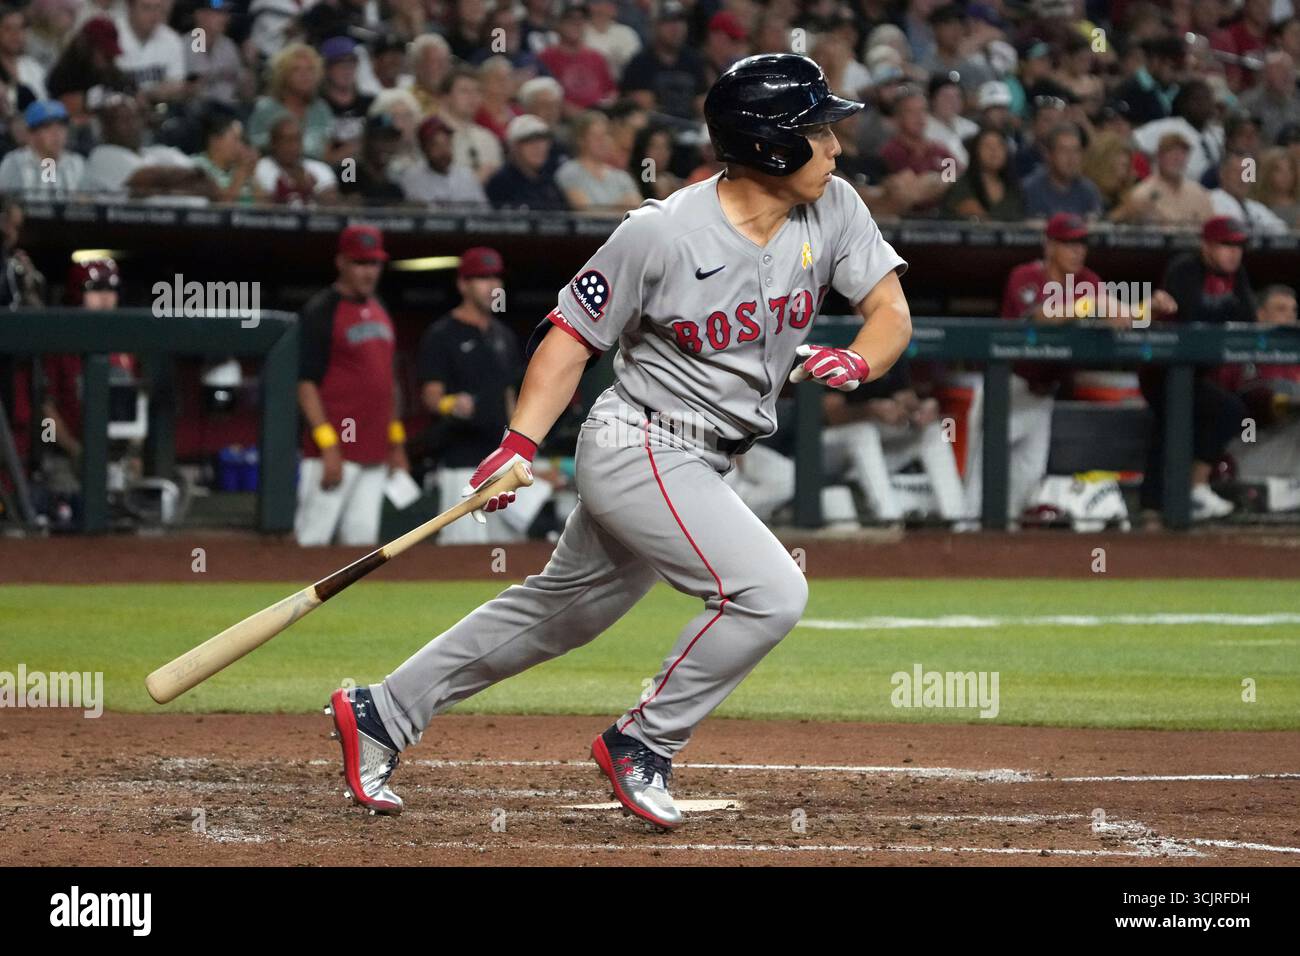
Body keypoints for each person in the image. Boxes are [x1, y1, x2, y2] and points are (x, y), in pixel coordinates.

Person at [323, 54, 911, 827]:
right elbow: (571, 336)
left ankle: (383, 710)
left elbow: (889, 311)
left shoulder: (834, 207)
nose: (836, 146)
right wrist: (519, 445)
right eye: (818, 131)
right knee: (770, 594)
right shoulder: (661, 231)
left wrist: (861, 357)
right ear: (769, 145)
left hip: (705, 458)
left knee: (562, 613)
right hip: (642, 443)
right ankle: (644, 741)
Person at [416, 246, 540, 544]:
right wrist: (451, 403)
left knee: (504, 552)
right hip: (462, 461)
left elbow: (511, 395)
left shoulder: (503, 336)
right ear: (463, 284)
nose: (492, 285)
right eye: (482, 278)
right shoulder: (442, 334)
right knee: (461, 551)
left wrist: (522, 441)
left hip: (500, 462)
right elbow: (430, 396)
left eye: (495, 278)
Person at [295, 225, 408, 546]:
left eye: (374, 263)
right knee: (311, 543)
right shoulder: (321, 311)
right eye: (360, 263)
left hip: (374, 453)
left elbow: (389, 383)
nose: (369, 272)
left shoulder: (380, 307)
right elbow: (305, 385)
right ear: (341, 262)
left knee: (361, 549)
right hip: (334, 452)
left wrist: (395, 442)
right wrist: (328, 446)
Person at [1143, 216, 1256, 520]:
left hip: (1196, 373)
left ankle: (1169, 502)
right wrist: (1223, 309)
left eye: (1238, 246)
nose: (1234, 253)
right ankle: (1178, 498)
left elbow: (1248, 318)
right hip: (1161, 369)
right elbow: (1189, 314)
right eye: (1225, 245)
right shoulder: (1185, 268)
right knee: (1175, 425)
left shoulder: (1238, 274)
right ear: (1206, 246)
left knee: (1217, 415)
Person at [1223, 285, 1300, 487]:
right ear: (1261, 314)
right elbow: (1255, 402)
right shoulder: (1242, 350)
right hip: (1249, 441)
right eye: (1281, 309)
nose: (1290, 316)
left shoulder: (1294, 356)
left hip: (1285, 441)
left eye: (1293, 310)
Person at [83, 94, 210, 198]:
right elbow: (149, 179)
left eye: (135, 118)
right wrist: (190, 179)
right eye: (123, 120)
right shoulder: (102, 155)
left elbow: (204, 177)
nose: (132, 125)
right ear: (105, 129)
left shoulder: (160, 152)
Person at [619, 0, 707, 120]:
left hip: (691, 129)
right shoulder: (639, 64)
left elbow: (702, 103)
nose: (676, 28)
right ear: (654, 26)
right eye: (668, 21)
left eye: (680, 21)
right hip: (655, 130)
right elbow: (640, 109)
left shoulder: (694, 60)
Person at [247, 43, 335, 161]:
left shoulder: (321, 109)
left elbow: (326, 151)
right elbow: (252, 148)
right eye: (296, 69)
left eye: (310, 69)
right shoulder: (266, 109)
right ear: (283, 75)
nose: (305, 75)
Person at [554, 109, 640, 213]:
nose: (603, 141)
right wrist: (621, 207)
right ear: (581, 140)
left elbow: (638, 212)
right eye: (596, 136)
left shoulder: (621, 176)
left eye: (606, 135)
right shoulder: (569, 172)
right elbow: (587, 212)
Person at [1124, 131, 1216, 227]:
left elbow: (1210, 229)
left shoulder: (1199, 193)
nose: (1177, 158)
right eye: (1171, 152)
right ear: (1159, 156)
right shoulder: (1142, 193)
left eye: (1182, 153)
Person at [538, 2, 616, 113]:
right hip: (565, 121)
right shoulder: (546, 57)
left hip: (599, 117)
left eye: (581, 19)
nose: (577, 23)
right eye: (570, 19)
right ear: (557, 24)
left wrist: (607, 108)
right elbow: (549, 97)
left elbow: (611, 91)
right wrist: (580, 116)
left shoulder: (597, 57)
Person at [398, 115, 487, 206]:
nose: (443, 151)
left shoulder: (467, 176)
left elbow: (484, 214)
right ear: (423, 148)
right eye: (436, 145)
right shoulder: (411, 178)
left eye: (447, 144)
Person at [0, 100, 84, 195]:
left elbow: (87, 202)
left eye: (61, 126)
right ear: (31, 134)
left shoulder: (77, 163)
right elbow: (8, 204)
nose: (56, 134)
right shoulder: (14, 162)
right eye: (47, 127)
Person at [1020, 123, 1103, 219]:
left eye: (1076, 150)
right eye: (1063, 150)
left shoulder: (1089, 190)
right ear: (1048, 154)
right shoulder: (1029, 189)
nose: (1071, 158)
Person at [940, 126, 1023, 220]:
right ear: (976, 151)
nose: (994, 151)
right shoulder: (962, 185)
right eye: (987, 146)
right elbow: (980, 221)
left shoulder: (1013, 187)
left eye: (1000, 145)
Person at [485, 113, 567, 210]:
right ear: (514, 147)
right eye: (529, 142)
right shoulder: (500, 183)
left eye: (543, 142)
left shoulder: (553, 178)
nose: (539, 148)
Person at [253, 115, 339, 205]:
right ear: (274, 143)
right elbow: (264, 206)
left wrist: (311, 191)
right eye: (287, 141)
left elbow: (333, 206)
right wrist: (299, 189)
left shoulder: (320, 168)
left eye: (297, 140)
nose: (293, 147)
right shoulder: (261, 168)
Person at [114, 0, 184, 103]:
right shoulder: (112, 35)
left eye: (158, 8)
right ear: (130, 8)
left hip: (158, 109)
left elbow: (177, 84)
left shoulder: (171, 39)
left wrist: (150, 95)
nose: (154, 15)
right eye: (146, 8)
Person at [184, 0, 248, 108]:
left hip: (228, 111)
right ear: (200, 15)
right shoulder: (183, 46)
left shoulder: (229, 46)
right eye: (218, 13)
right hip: (194, 113)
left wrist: (249, 64)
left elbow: (246, 93)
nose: (225, 18)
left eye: (225, 13)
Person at [1211, 149, 1289, 234]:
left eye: (1247, 174)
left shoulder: (1255, 207)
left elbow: (1282, 230)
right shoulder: (1212, 200)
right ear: (1223, 174)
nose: (1243, 179)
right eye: (1237, 172)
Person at [191, 106, 258, 203]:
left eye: (241, 141)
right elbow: (221, 210)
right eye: (236, 140)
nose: (241, 146)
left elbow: (267, 208)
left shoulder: (238, 168)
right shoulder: (197, 166)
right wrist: (241, 173)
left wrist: (252, 174)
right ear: (215, 141)